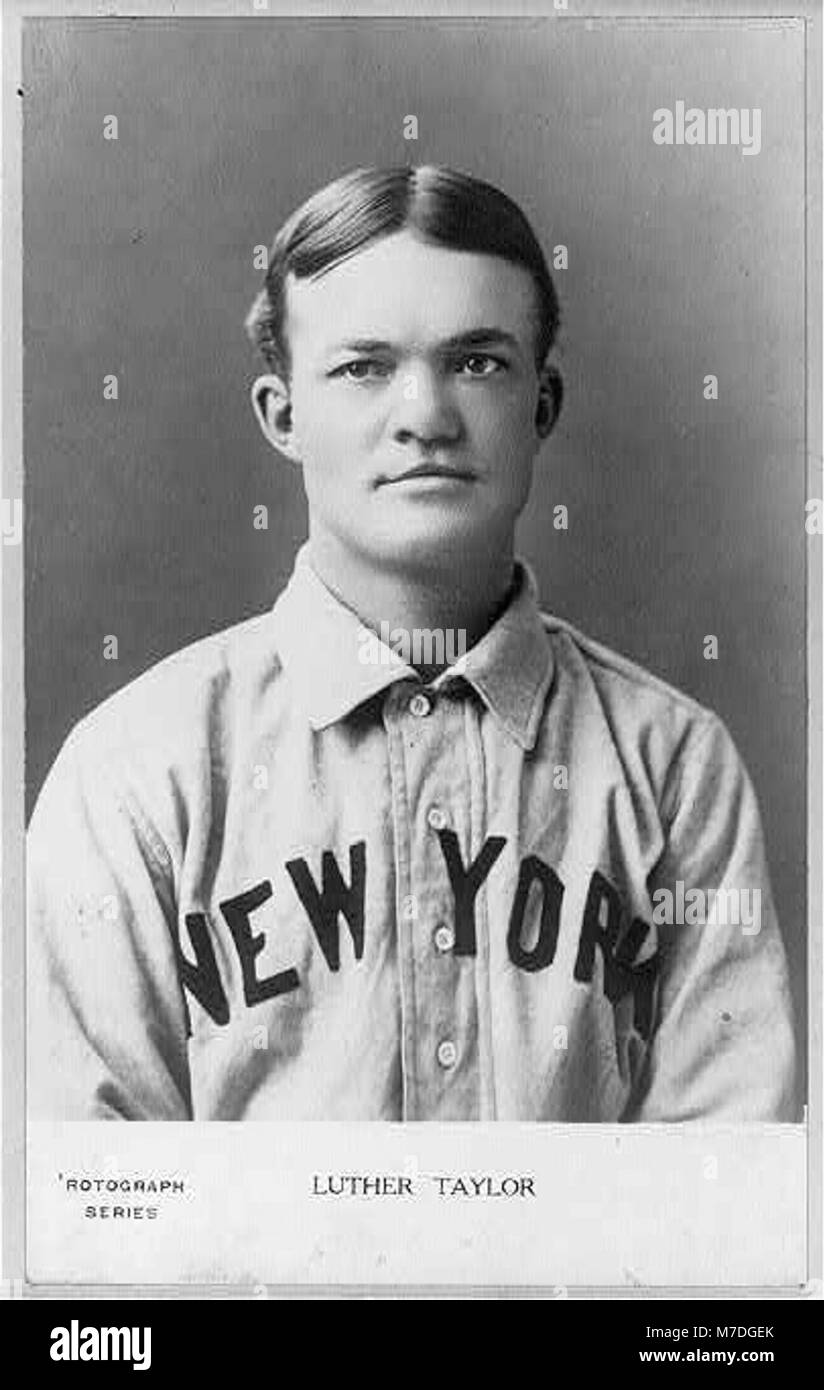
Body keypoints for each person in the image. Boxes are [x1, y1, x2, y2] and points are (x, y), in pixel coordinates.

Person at [27, 165, 796, 1121]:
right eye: (364, 367)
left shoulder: (675, 768)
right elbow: (85, 1208)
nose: (425, 418)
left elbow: (718, 1209)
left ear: (541, 406)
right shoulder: (136, 775)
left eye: (478, 362)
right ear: (284, 416)